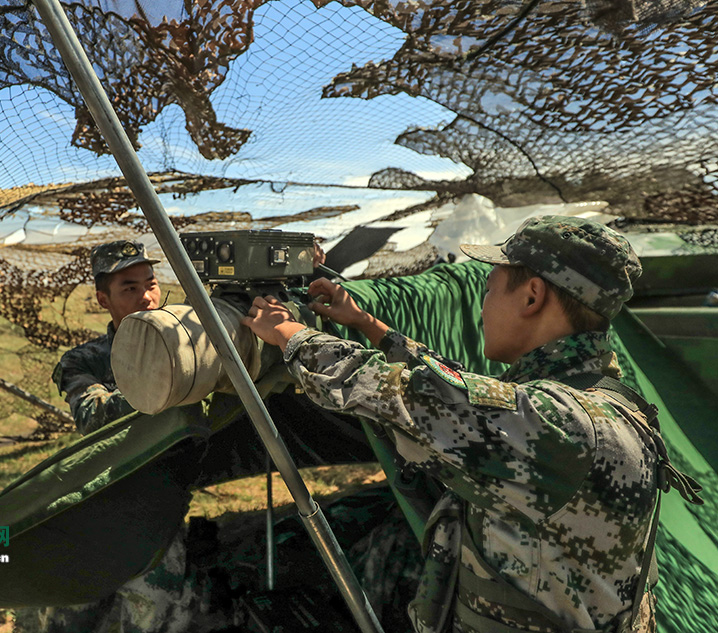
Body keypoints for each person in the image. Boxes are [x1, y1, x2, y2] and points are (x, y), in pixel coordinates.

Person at [242, 215, 701, 633]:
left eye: (489, 289)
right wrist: (368, 324)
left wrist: (291, 334)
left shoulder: (562, 424)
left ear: (532, 295)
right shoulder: (599, 394)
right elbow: (469, 393)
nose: (482, 306)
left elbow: (408, 397)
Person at [52, 240, 161, 435]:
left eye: (151, 285)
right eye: (130, 289)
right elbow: (90, 417)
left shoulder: (186, 339)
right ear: (103, 299)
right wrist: (167, 384)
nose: (146, 297)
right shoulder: (83, 360)